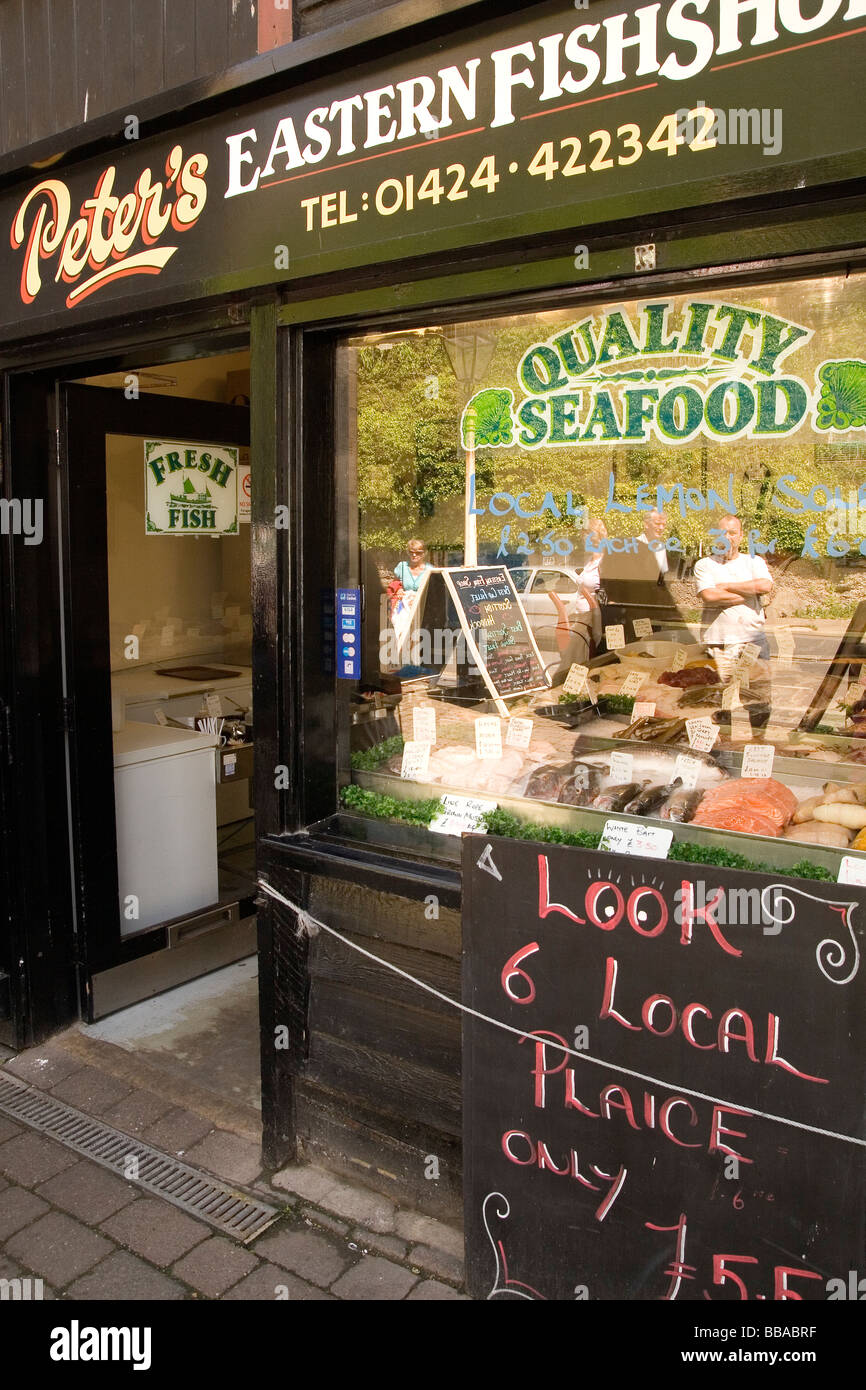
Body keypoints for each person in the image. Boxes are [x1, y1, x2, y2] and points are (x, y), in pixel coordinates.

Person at [693, 514, 774, 734]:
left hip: (752, 642)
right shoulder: (704, 564)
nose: (727, 537)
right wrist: (745, 594)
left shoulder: (754, 562)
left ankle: (758, 742)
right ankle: (725, 746)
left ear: (741, 535)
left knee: (758, 698)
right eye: (723, 532)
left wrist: (727, 586)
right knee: (721, 701)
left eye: (732, 532)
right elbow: (709, 595)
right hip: (720, 644)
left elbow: (765, 585)